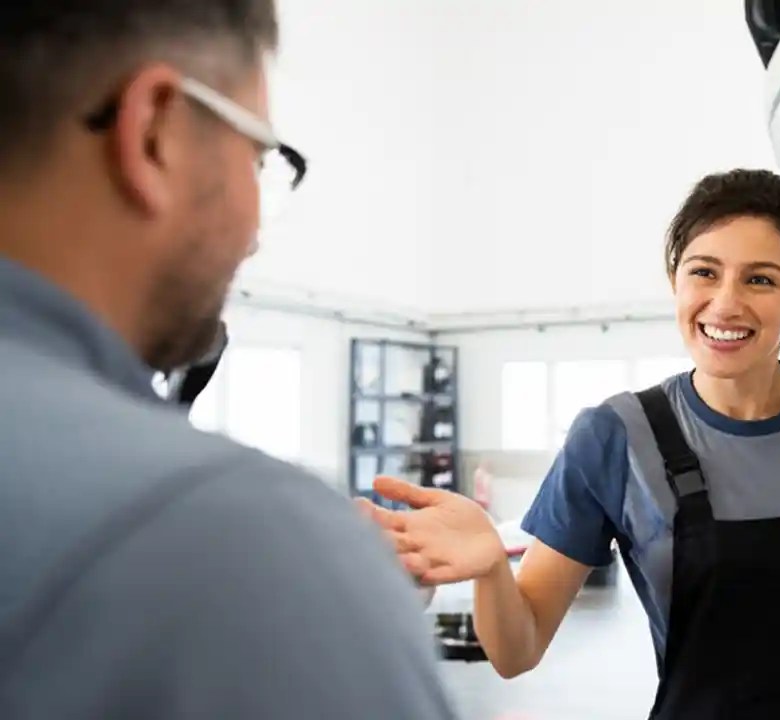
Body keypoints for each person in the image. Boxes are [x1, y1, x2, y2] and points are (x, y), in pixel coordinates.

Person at [0, 3, 456, 718]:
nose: (256, 234)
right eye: (260, 158)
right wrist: (329, 603)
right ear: (155, 132)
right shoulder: (237, 544)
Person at [365, 169, 780, 719]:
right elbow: (518, 650)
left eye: (760, 279)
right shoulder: (615, 437)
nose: (726, 303)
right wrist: (491, 570)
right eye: (704, 272)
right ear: (675, 282)